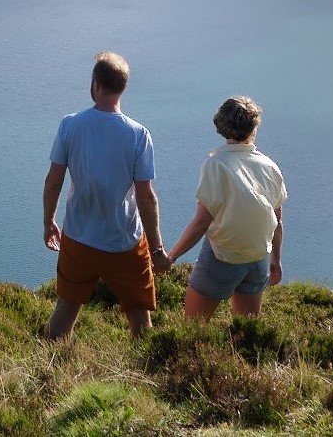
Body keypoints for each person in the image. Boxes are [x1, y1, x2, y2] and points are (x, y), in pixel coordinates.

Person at [43, 51, 170, 340]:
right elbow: (146, 198)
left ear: (95, 84)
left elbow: (53, 181)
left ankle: (49, 364)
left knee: (67, 307)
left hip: (78, 237)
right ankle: (145, 365)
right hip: (123, 242)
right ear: (123, 87)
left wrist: (49, 222)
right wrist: (157, 249)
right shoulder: (138, 135)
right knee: (138, 314)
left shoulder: (70, 125)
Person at [162, 95, 287, 319]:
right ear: (254, 127)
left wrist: (171, 257)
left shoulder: (216, 165)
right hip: (258, 256)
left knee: (193, 325)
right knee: (245, 328)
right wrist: (275, 260)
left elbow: (201, 222)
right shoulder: (269, 166)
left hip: (223, 257)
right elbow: (277, 222)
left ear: (222, 126)